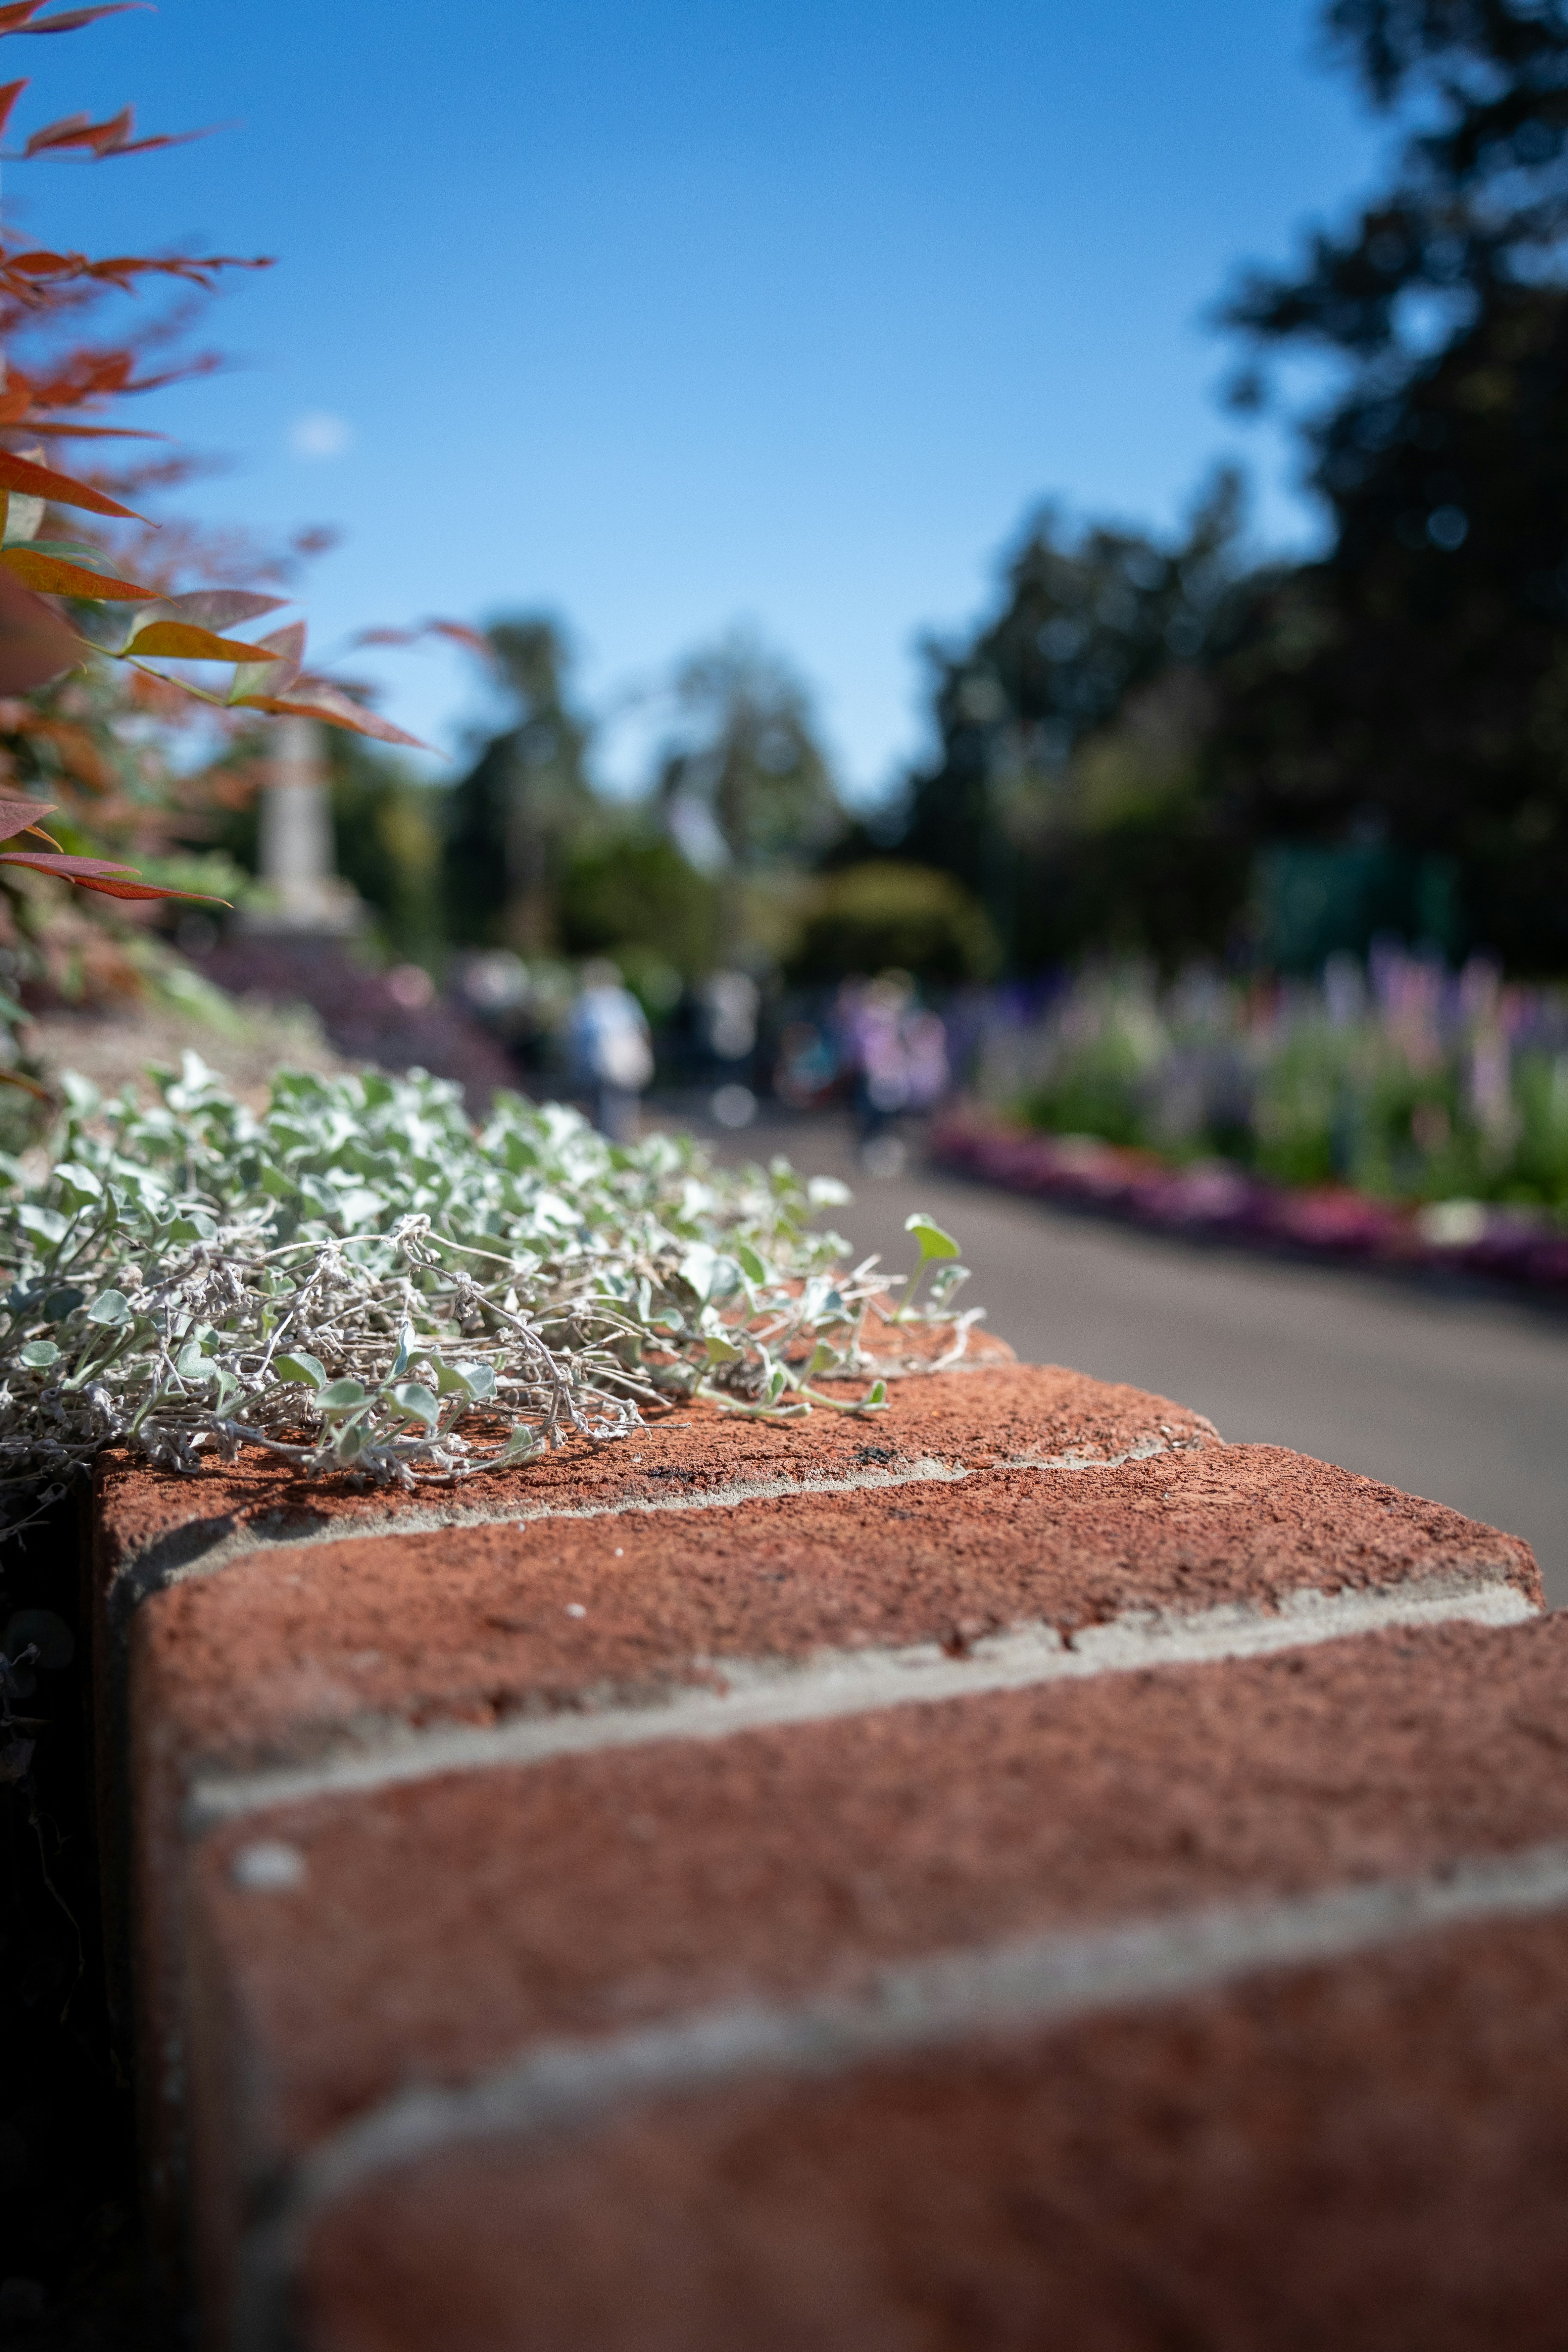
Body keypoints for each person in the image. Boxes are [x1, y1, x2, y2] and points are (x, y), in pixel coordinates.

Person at [568, 960, 653, 1141]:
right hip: (627, 1066)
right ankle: (622, 1141)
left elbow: (577, 1037)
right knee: (625, 1107)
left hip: (596, 1069)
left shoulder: (587, 1003)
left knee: (598, 1110)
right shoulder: (625, 1000)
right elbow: (642, 1030)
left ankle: (605, 1144)